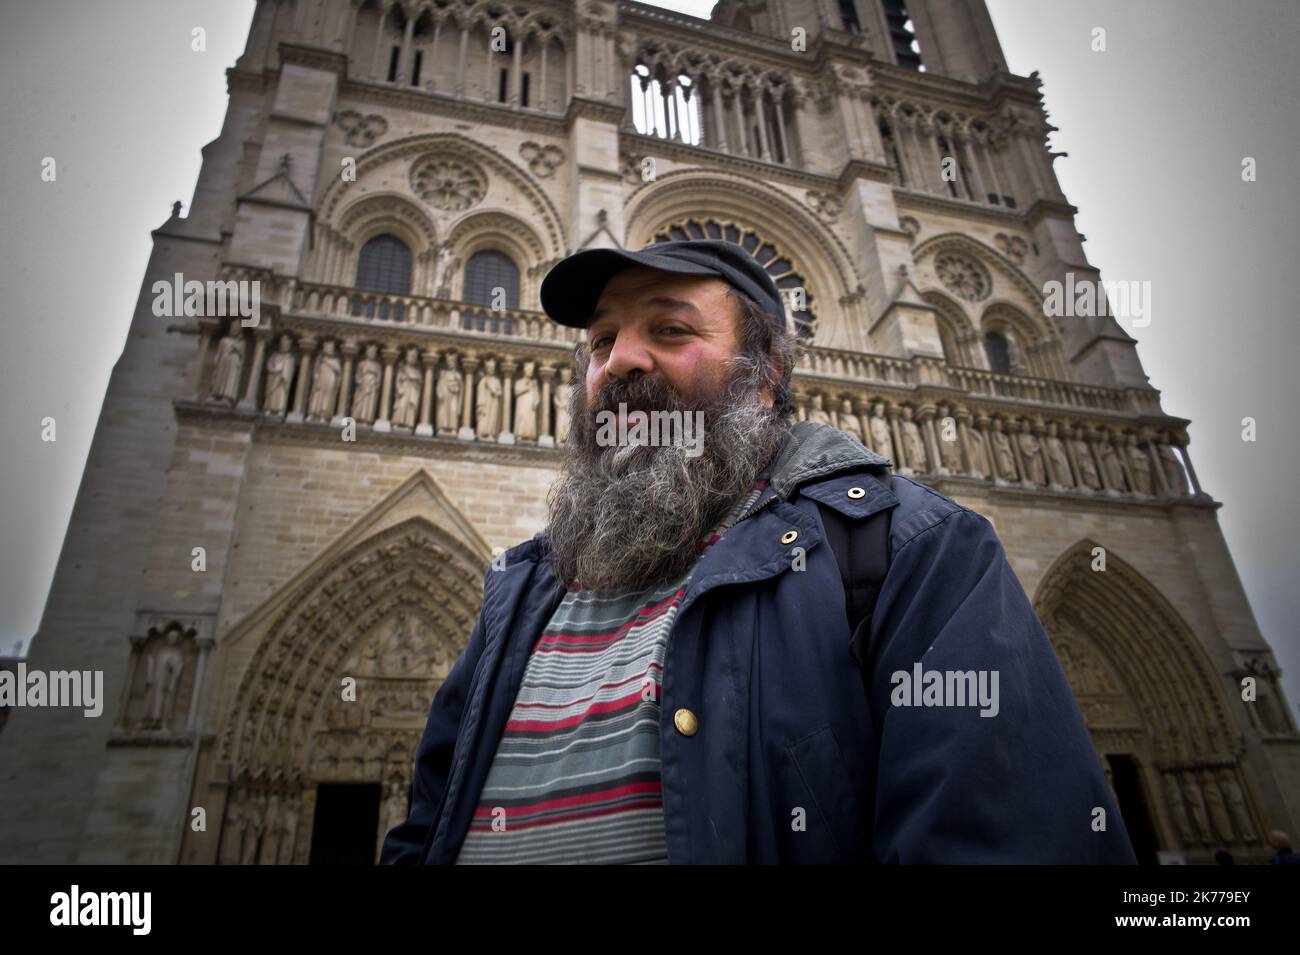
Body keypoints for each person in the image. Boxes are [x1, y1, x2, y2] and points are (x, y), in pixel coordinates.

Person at [380, 239, 1137, 865]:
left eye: (670, 330)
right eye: (602, 341)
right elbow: (426, 830)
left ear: (767, 373)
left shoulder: (905, 549)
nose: (620, 360)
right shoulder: (519, 593)